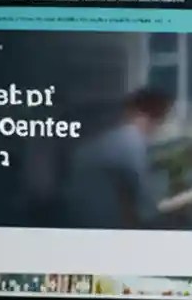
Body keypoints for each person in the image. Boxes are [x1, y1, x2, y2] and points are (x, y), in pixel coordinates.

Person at [62, 88, 175, 230]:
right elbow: (143, 199)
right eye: (162, 117)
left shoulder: (118, 137)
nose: (162, 125)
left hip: (80, 210)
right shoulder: (130, 141)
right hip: (94, 218)